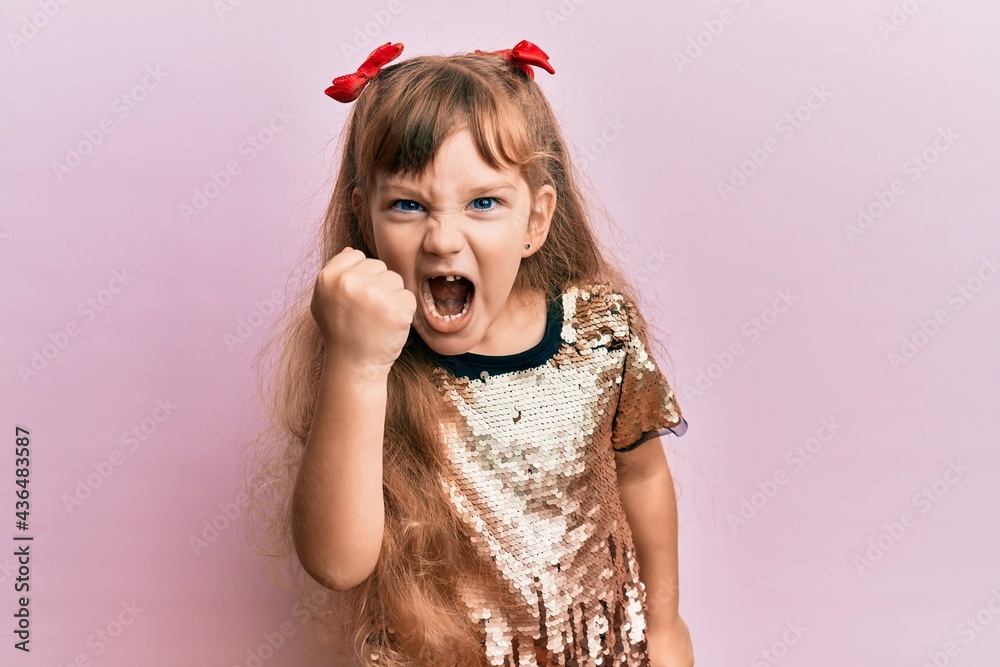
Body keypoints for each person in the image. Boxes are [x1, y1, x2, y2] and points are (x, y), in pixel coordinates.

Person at [244, 40, 694, 667]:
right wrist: (356, 363)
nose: (443, 238)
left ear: (535, 220)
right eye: (407, 204)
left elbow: (643, 476)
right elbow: (337, 566)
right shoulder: (366, 361)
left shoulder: (599, 329)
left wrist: (666, 624)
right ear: (365, 219)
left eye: (483, 202)